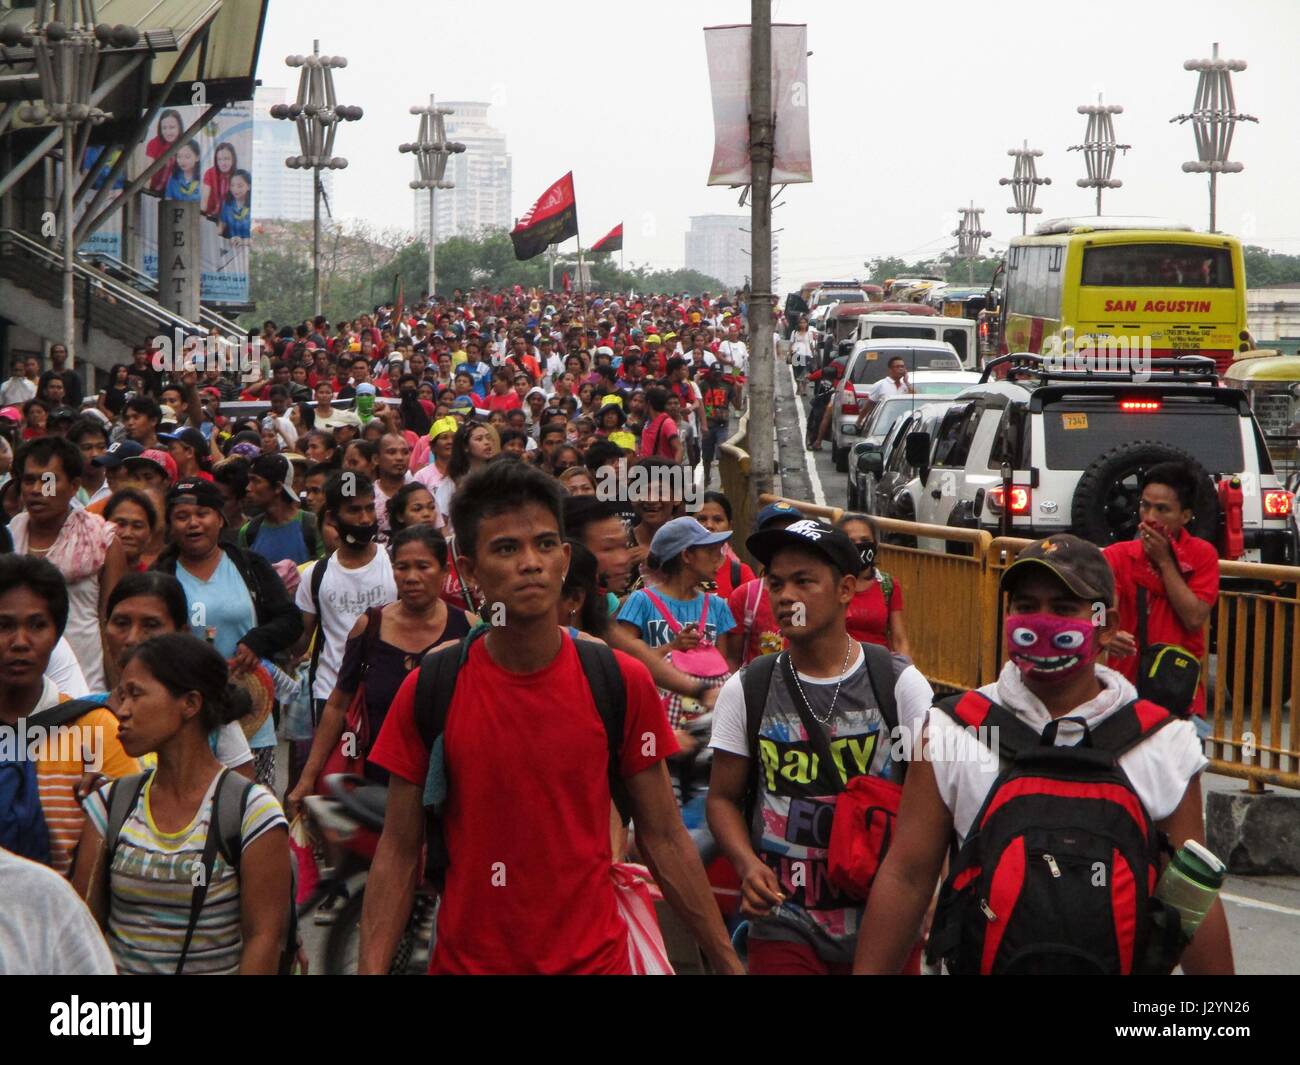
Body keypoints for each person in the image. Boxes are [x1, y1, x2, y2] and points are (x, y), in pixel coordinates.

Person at [360, 460, 743, 975]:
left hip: (595, 962)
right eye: (506, 548)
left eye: (543, 545)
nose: (530, 563)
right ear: (470, 571)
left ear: (564, 558)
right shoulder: (432, 687)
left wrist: (727, 962)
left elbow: (664, 837)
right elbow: (399, 852)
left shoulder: (618, 682)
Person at [853, 534, 1232, 975]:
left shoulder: (1163, 742)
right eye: (1025, 606)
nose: (1041, 621)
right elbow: (908, 876)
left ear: (1106, 625)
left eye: (1064, 608)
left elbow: (1190, 896)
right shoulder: (953, 730)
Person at [706, 517, 934, 975]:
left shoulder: (899, 684)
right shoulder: (748, 688)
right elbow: (722, 799)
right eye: (776, 583)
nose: (786, 595)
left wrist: (930, 892)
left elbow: (933, 805)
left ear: (846, 590)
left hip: (885, 916)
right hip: (784, 919)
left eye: (804, 581)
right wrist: (747, 864)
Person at [71, 634, 291, 975]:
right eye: (122, 695)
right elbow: (85, 931)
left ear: (190, 703)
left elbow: (264, 939)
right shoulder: (108, 805)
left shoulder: (252, 813)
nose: (122, 711)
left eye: (136, 694)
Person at [287, 524, 473, 812]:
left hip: (451, 788)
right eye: (402, 567)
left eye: (423, 566)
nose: (411, 577)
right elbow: (338, 704)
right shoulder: (369, 627)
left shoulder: (469, 630)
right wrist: (307, 778)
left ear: (444, 571)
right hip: (376, 788)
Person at [153, 479, 303, 787]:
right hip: (184, 717)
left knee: (250, 809)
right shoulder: (162, 576)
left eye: (203, 513)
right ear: (170, 525)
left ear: (220, 519)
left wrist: (255, 642)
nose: (193, 523)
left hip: (249, 716)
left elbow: (290, 619)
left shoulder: (248, 565)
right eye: (182, 516)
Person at [0, 555, 138, 879]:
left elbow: (132, 846)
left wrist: (105, 809)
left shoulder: (96, 731)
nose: (20, 642)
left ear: (57, 634)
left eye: (37, 625)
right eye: (4, 626)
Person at [1102, 462, 1219, 727]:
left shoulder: (1203, 555)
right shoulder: (1117, 555)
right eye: (1145, 506)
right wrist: (1104, 631)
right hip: (1125, 692)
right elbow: (1099, 603)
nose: (1150, 517)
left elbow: (1194, 617)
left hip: (1179, 693)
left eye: (1162, 509)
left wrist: (1165, 561)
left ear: (1185, 516)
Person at [10, 437, 125, 690]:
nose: (36, 490)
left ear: (74, 486)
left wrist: (117, 691)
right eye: (29, 481)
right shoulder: (9, 539)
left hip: (86, 685)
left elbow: (111, 624)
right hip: (17, 688)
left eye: (48, 481)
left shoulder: (102, 541)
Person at [294, 471, 397, 739]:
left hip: (386, 691)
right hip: (329, 696)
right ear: (331, 517)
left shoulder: (395, 564)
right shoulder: (314, 576)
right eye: (354, 510)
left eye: (368, 509)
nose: (364, 519)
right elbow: (300, 642)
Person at [616, 516, 737, 731]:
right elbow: (622, 664)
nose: (719, 558)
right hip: (653, 721)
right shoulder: (641, 601)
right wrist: (671, 648)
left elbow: (724, 666)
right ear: (687, 555)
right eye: (709, 551)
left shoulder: (718, 606)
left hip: (705, 724)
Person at [723, 502, 805, 670]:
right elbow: (733, 660)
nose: (784, 541)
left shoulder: (816, 593)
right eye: (774, 536)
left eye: (790, 533)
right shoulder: (745, 597)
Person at [836, 513, 911, 656]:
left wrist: (907, 673)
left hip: (878, 670)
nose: (859, 545)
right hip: (839, 668)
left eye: (865, 540)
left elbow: (899, 640)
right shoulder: (830, 585)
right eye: (851, 542)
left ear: (875, 544)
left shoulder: (888, 585)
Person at [237, 453, 321, 565]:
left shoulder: (313, 525)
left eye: (256, 481)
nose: (248, 488)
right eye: (249, 481)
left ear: (277, 487)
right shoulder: (248, 532)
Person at [433, 421, 498, 534]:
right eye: (479, 439)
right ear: (465, 447)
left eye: (488, 438)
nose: (487, 443)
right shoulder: (453, 482)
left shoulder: (497, 477)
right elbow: (441, 521)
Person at [697, 490, 755, 598]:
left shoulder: (741, 573)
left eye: (718, 520)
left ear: (730, 526)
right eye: (702, 519)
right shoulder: (678, 571)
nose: (709, 525)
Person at [104, 488, 162, 572]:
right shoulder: (87, 574)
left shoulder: (154, 582)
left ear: (150, 534)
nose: (127, 534)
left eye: (137, 526)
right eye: (120, 524)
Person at [854, 355, 914, 433]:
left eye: (902, 366)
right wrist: (859, 422)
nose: (901, 369)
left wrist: (907, 382)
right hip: (882, 427)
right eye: (897, 367)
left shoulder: (906, 386)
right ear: (890, 369)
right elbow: (868, 405)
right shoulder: (880, 385)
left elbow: (915, 397)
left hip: (901, 426)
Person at [640, 386, 683, 463]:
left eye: (643, 402)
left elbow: (679, 449)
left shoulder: (667, 423)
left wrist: (674, 471)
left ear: (648, 403)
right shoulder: (647, 423)